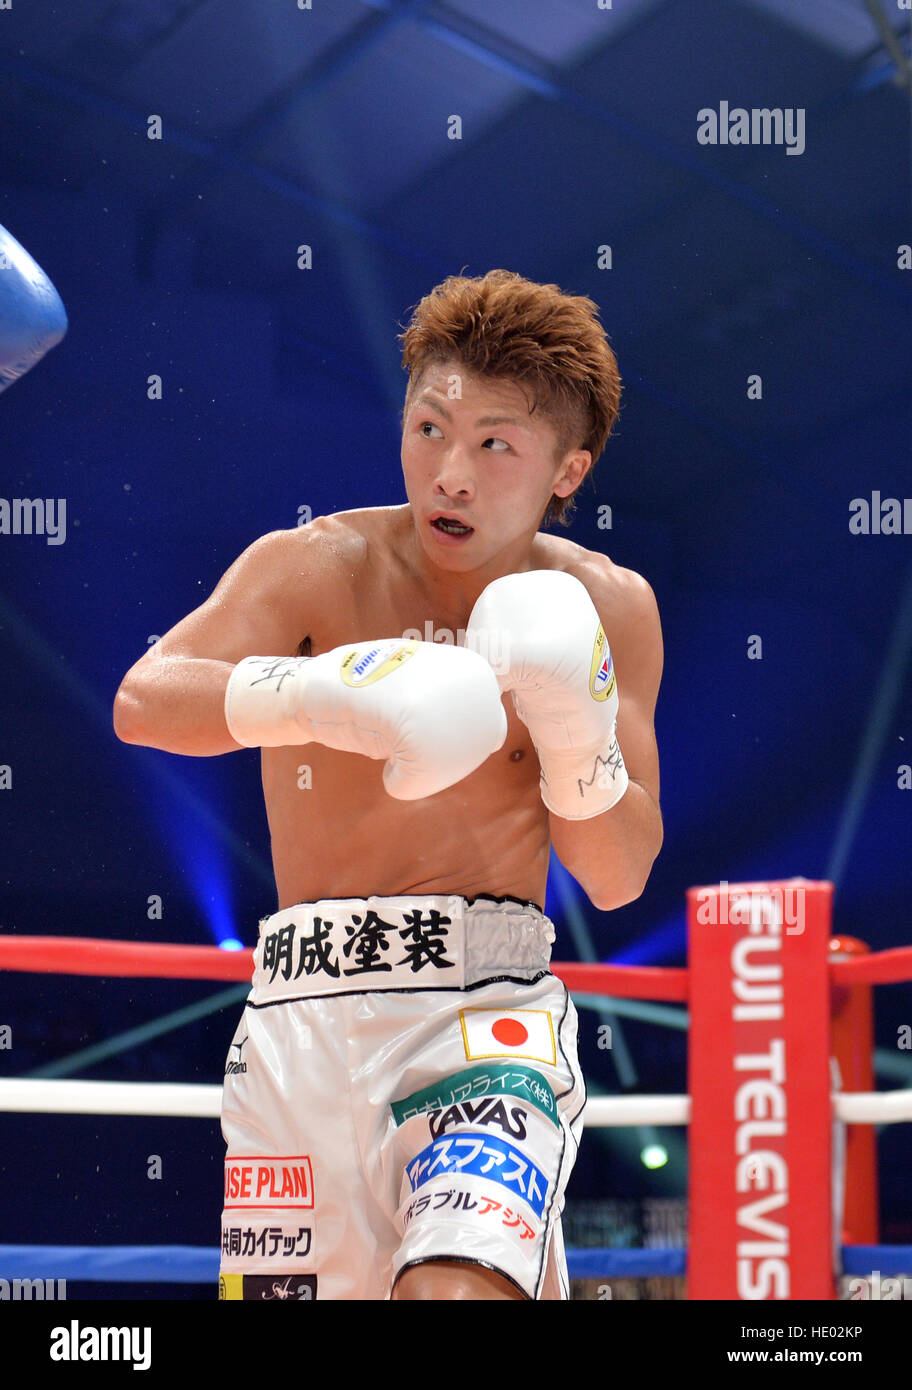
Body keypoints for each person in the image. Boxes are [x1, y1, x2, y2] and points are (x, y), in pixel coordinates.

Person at [113, 269, 663, 1301]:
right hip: (301, 1021)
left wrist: (574, 731)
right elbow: (145, 698)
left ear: (568, 468)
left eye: (495, 444)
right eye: (429, 427)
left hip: (485, 1013)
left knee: (455, 1291)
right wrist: (321, 692)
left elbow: (621, 870)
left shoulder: (609, 606)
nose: (450, 472)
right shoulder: (318, 565)